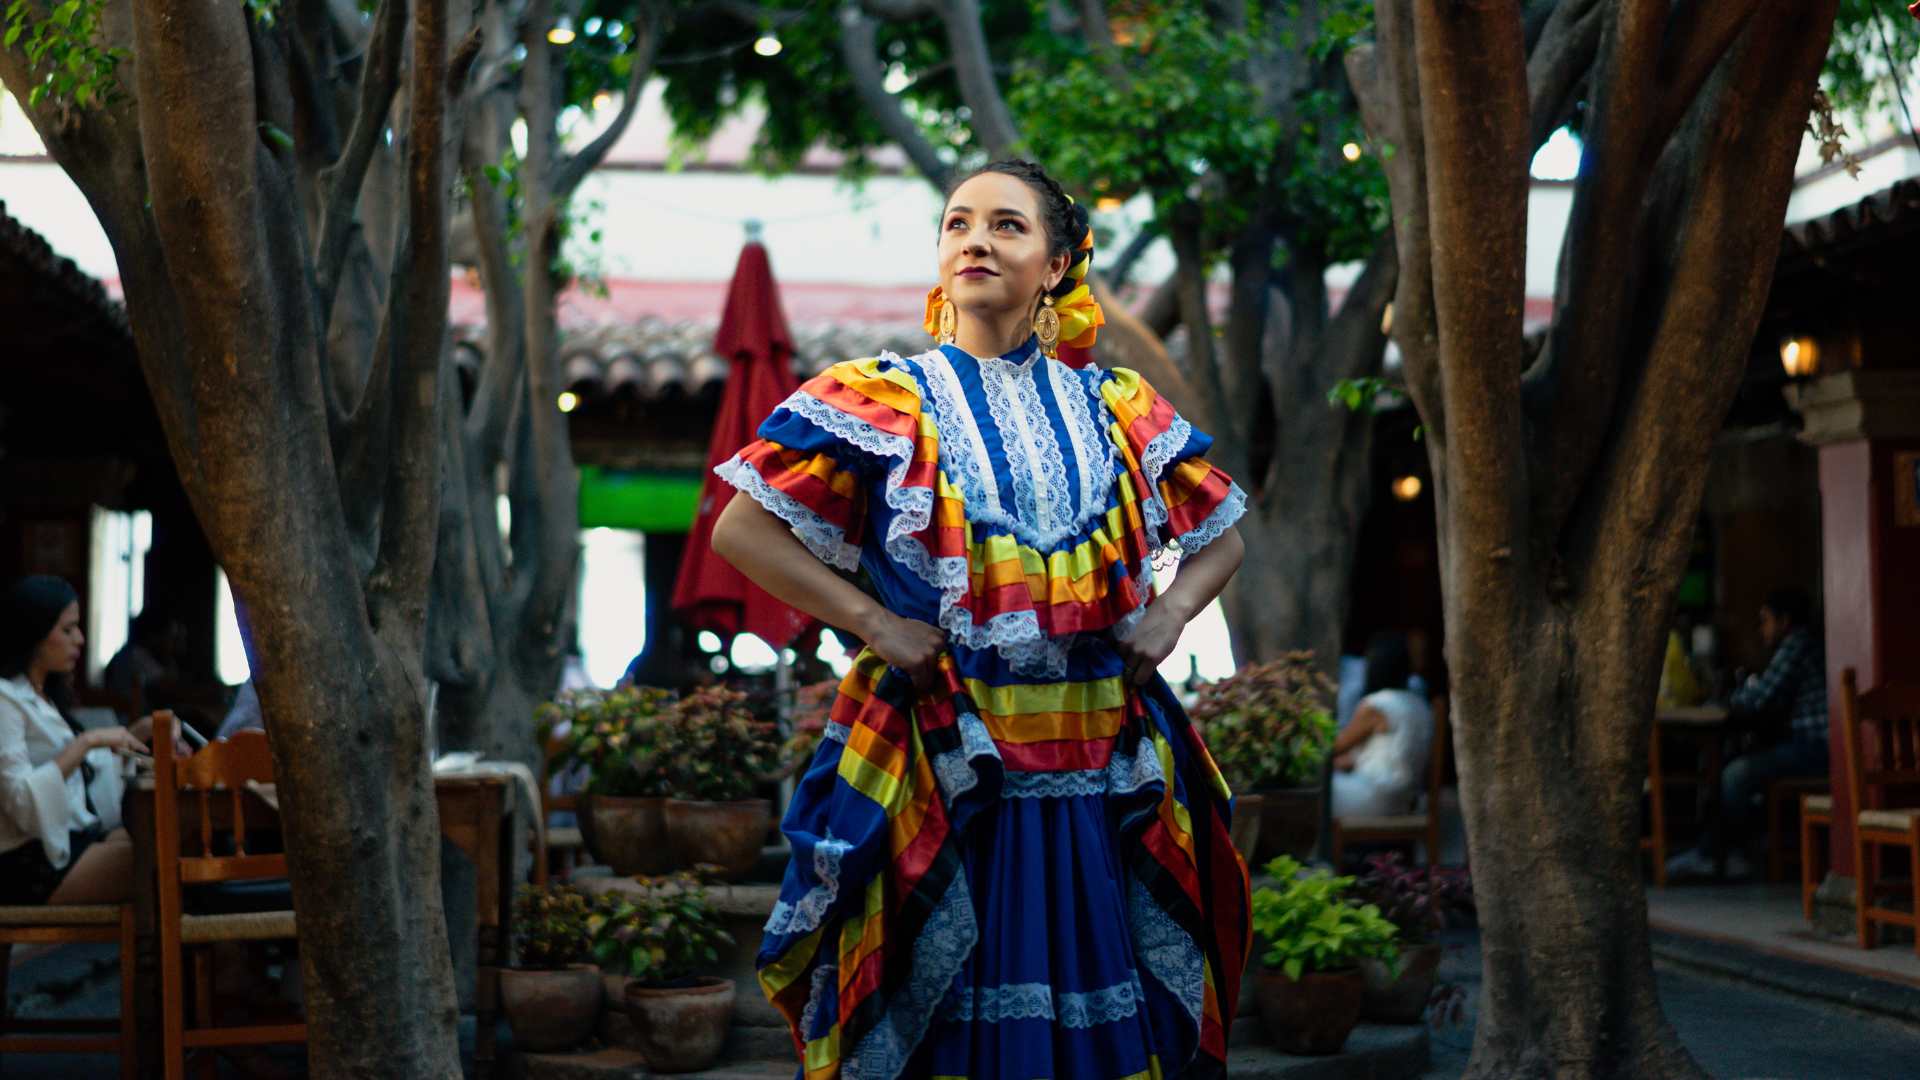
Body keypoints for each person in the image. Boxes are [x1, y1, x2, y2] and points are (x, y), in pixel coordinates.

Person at [711, 160, 1251, 1078]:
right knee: (945, 997)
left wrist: (1169, 619)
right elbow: (741, 529)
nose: (975, 240)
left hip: (1097, 765)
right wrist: (876, 623)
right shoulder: (879, 397)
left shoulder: (1118, 405)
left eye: (1008, 226)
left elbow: (1224, 534)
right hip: (941, 759)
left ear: (1057, 265)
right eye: (959, 223)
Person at [0, 576, 160, 906]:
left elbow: (85, 785)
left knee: (164, 836)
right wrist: (87, 742)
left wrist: (137, 735)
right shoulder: (5, 700)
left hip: (63, 843)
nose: (80, 640)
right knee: (165, 858)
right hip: (28, 860)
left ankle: (174, 953)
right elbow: (20, 801)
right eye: (68, 629)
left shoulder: (43, 698)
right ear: (36, 633)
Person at [1665, 587, 1827, 881]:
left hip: (1817, 749)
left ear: (1785, 622)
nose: (1761, 629)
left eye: (1765, 620)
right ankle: (1721, 849)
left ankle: (1727, 854)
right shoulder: (1803, 645)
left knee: (1735, 774)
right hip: (1811, 745)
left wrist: (1725, 700)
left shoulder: (1796, 645)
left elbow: (1757, 699)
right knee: (1738, 761)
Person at [1331, 632, 1434, 818]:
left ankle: (1318, 847)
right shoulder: (1419, 703)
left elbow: (1335, 747)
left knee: (1315, 788)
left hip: (1378, 796)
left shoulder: (1377, 705)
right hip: (1405, 798)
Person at [101, 606, 185, 704]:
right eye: (170, 637)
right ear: (154, 636)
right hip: (126, 717)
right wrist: (171, 660)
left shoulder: (128, 652)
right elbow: (169, 685)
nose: (172, 644)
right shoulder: (136, 656)